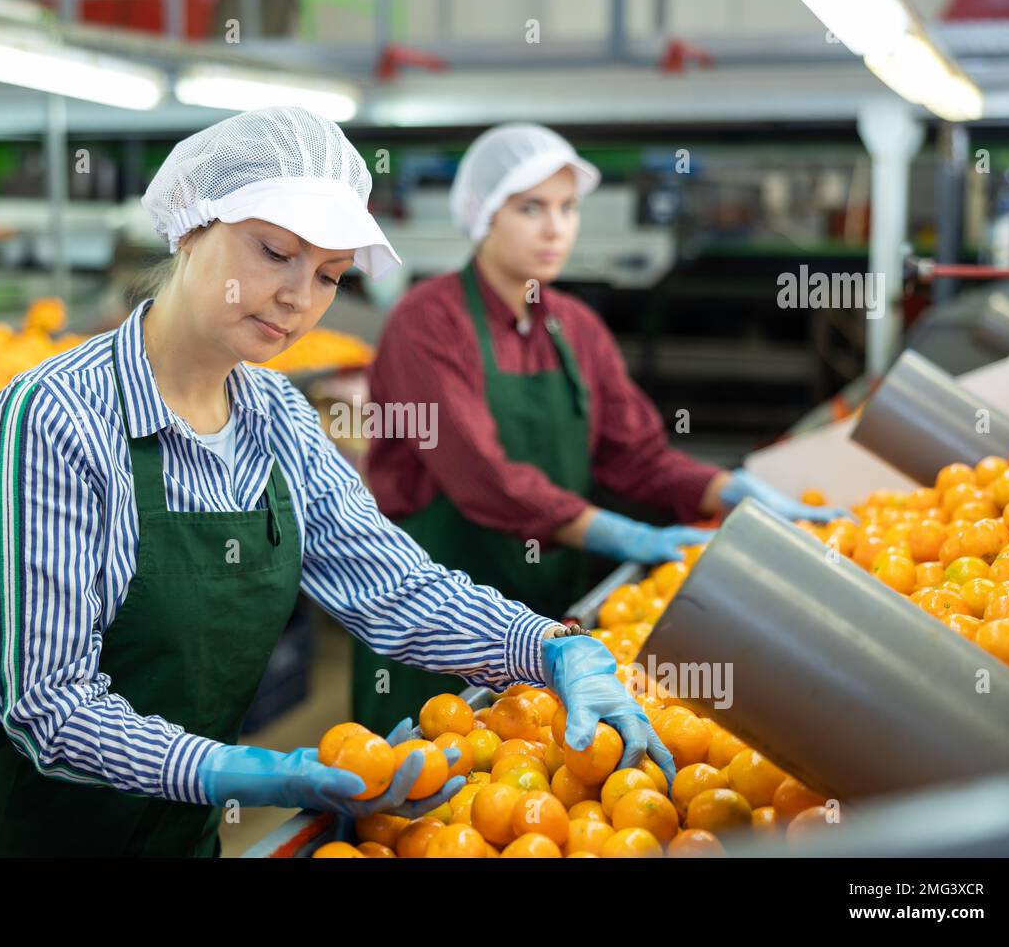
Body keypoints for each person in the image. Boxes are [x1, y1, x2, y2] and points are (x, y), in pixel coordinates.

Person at [0, 107, 674, 858]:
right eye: (273, 252)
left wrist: (549, 649)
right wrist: (247, 772)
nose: (300, 299)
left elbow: (392, 586)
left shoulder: (276, 417)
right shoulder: (53, 418)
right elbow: (49, 705)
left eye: (331, 274)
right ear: (193, 224)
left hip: (171, 833)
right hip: (11, 829)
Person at [353, 123, 846, 735]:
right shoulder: (426, 323)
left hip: (544, 610)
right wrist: (619, 533)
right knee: (412, 786)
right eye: (530, 208)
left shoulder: (575, 327)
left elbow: (635, 455)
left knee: (532, 753)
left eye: (567, 208)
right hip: (429, 624)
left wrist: (728, 491)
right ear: (482, 215)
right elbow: (484, 478)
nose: (555, 227)